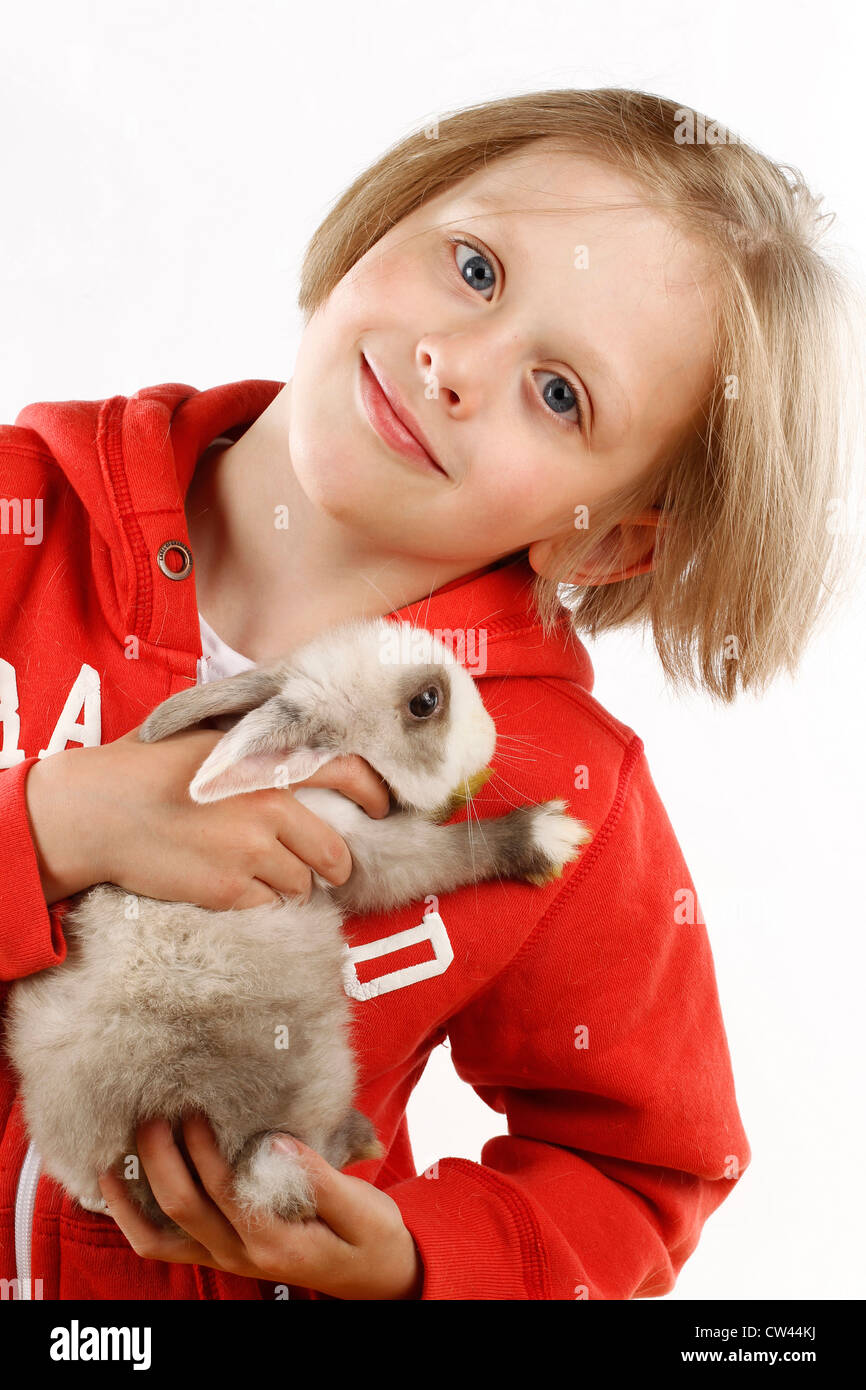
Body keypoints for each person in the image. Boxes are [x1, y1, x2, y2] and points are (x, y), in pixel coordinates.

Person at [1, 87, 861, 1301]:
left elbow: (640, 1167)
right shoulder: (16, 521)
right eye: (472, 268)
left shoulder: (556, 786)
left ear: (605, 542)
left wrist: (418, 1264)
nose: (454, 366)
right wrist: (46, 829)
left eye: (559, 393)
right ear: (383, 216)